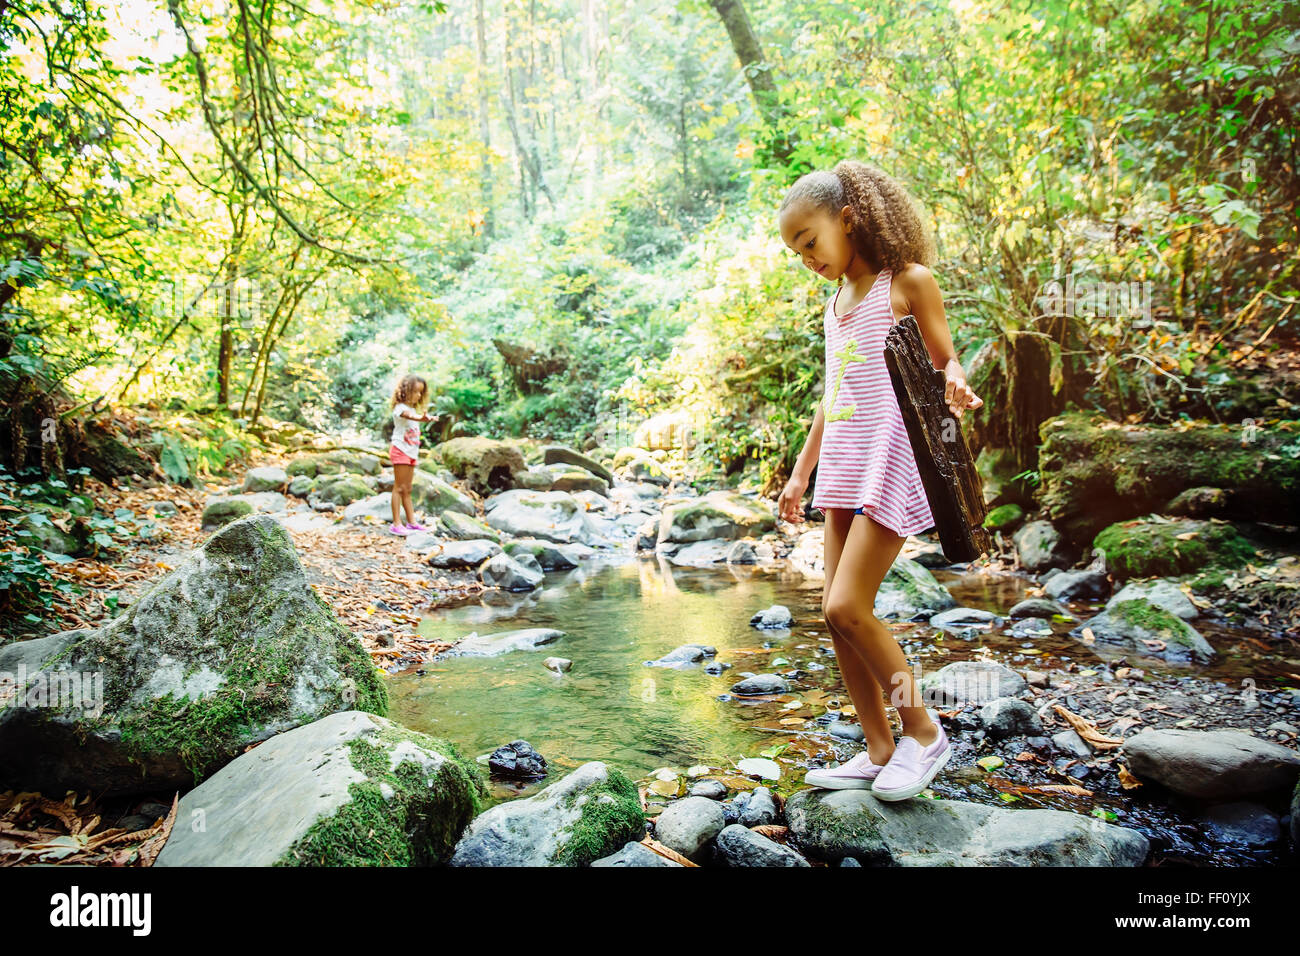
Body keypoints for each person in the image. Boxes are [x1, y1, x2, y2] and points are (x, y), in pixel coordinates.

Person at [775, 160, 983, 801]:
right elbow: (831, 393)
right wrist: (801, 472)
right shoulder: (836, 305)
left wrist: (955, 378)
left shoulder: (908, 282)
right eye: (796, 252)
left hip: (893, 457)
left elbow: (946, 356)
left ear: (848, 219)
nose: (807, 258)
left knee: (847, 606)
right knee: (834, 618)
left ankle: (924, 733)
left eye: (811, 241)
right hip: (842, 457)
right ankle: (877, 748)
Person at [387, 374, 434, 537]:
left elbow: (414, 415)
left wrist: (423, 418)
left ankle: (412, 522)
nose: (418, 396)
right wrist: (421, 418)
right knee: (398, 488)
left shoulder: (413, 409)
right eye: (416, 392)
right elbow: (409, 416)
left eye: (421, 392)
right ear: (406, 390)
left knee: (407, 489)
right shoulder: (400, 408)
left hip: (411, 453)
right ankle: (396, 524)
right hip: (400, 450)